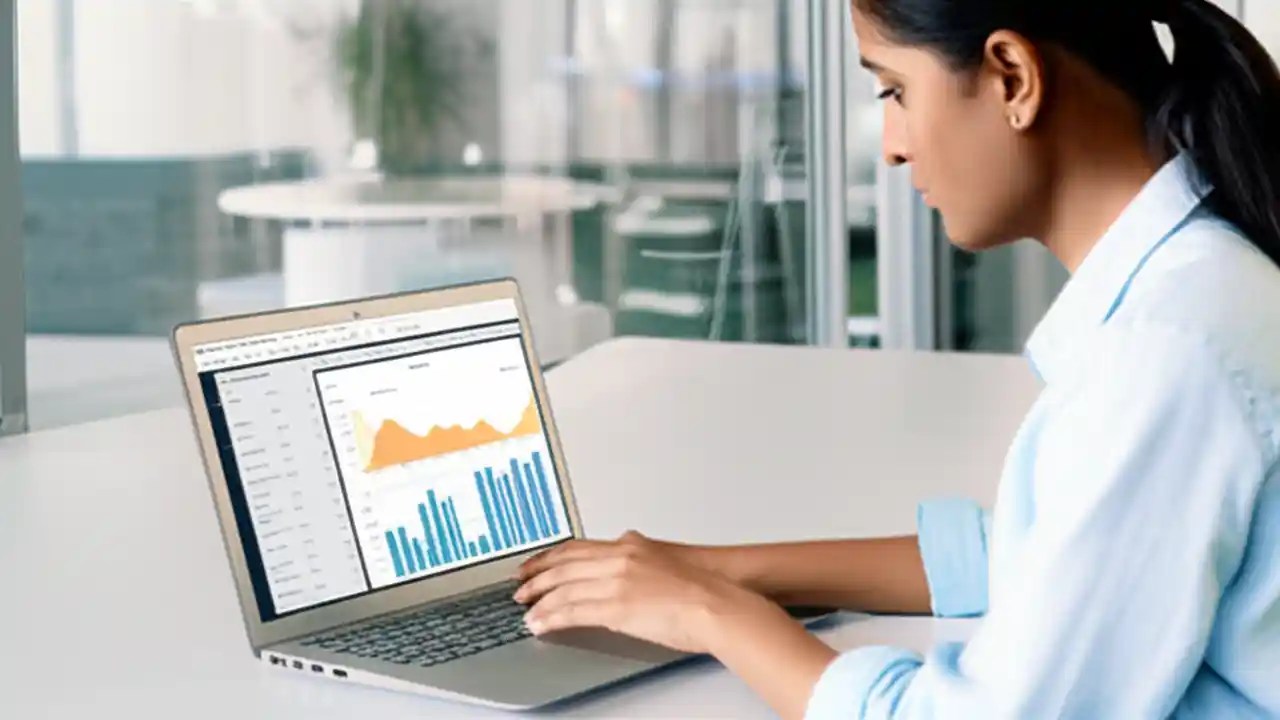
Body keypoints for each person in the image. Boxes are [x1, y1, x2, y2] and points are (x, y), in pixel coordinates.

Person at [515, 0, 1280, 717]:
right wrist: (717, 569)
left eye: (895, 92)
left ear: (1013, 78)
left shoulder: (1164, 353)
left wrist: (709, 613)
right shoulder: (1196, 285)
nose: (891, 146)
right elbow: (1036, 551)